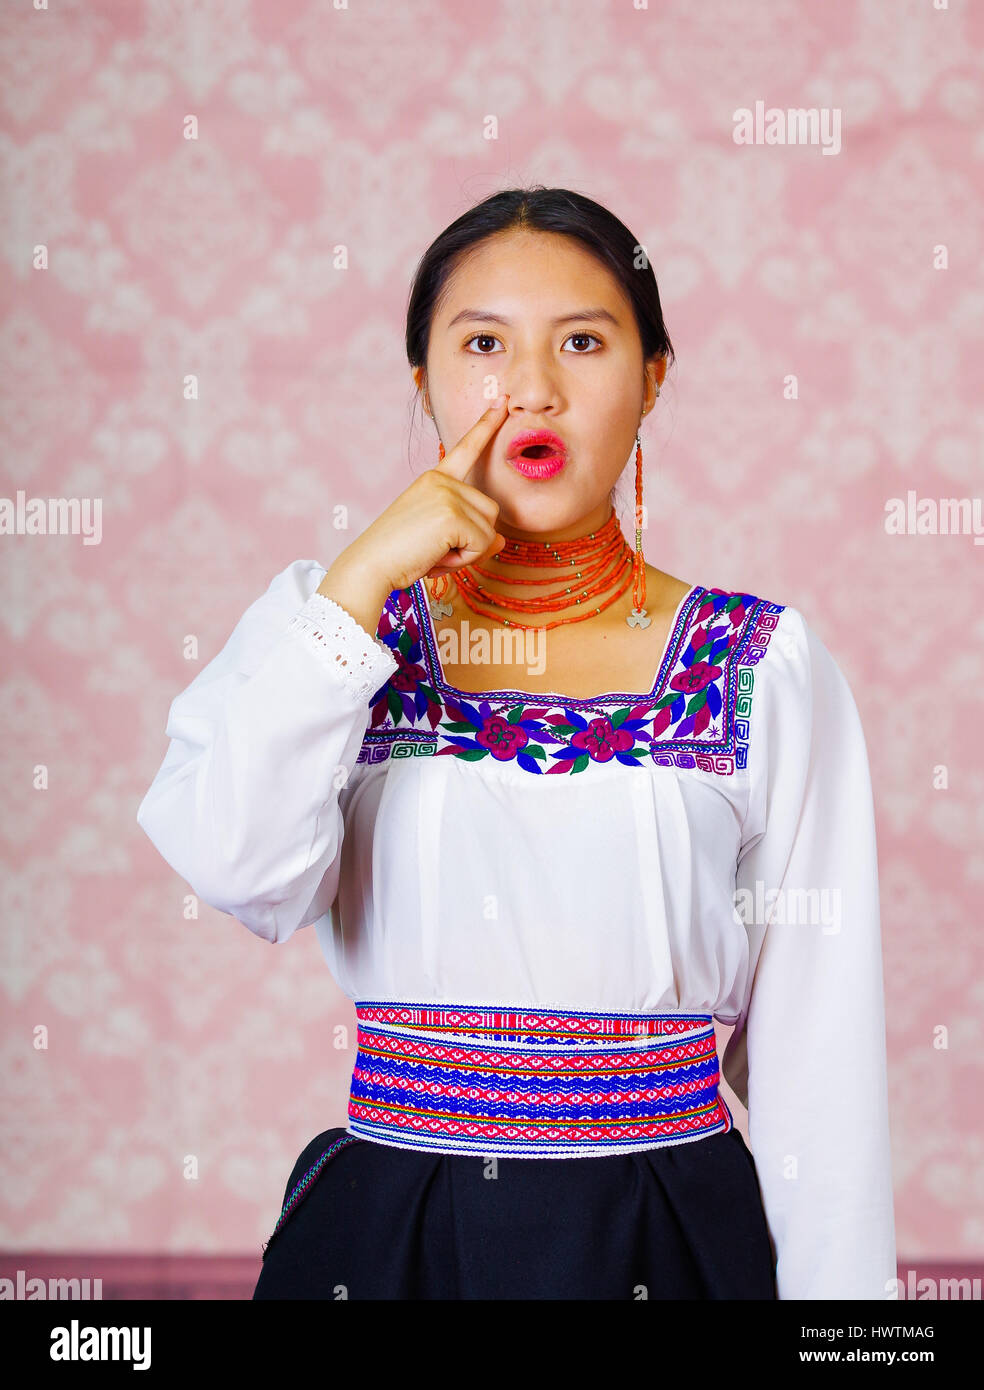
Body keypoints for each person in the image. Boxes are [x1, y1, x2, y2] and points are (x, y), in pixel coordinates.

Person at [136, 186, 897, 1301]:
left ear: (652, 379)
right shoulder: (337, 631)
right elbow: (239, 868)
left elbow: (818, 1062)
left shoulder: (760, 663)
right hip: (392, 1233)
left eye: (583, 342)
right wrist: (356, 585)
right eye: (483, 341)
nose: (532, 388)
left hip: (672, 1232)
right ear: (424, 382)